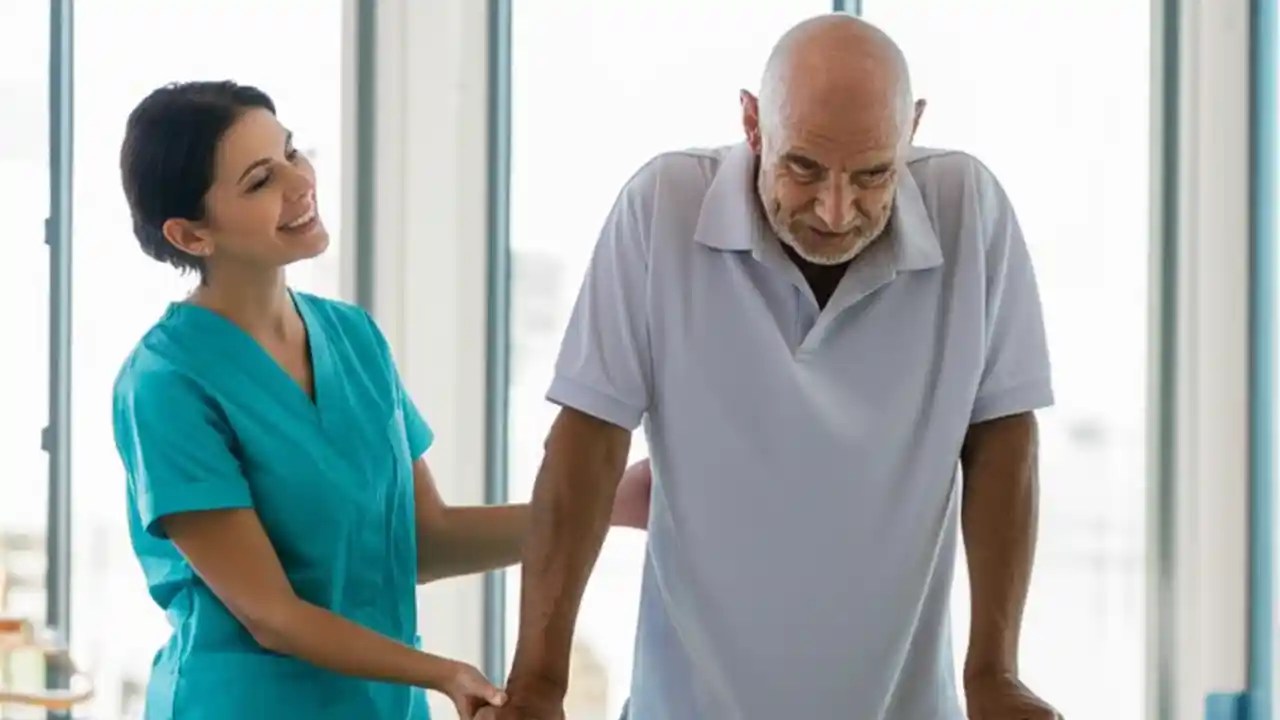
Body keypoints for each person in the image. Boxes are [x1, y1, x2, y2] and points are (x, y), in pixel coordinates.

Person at [489, 13, 1063, 720]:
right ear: (753, 125)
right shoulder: (662, 208)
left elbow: (1003, 436)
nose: (835, 209)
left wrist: (994, 672)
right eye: (804, 169)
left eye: (873, 175)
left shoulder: (969, 209)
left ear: (911, 130)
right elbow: (586, 444)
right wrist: (541, 681)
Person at [110, 80, 650, 720]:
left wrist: (608, 504)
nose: (300, 181)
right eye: (260, 180)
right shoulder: (167, 381)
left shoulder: (353, 339)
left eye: (291, 153)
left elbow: (426, 541)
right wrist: (443, 672)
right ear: (192, 235)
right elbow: (271, 615)